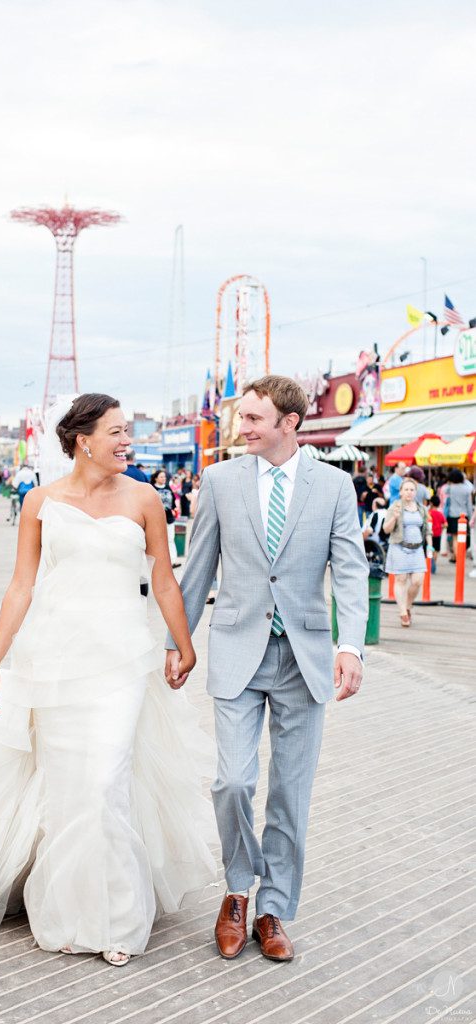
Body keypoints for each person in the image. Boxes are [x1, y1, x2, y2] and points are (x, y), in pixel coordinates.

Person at [0, 393, 216, 965]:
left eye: (128, 431)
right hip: (52, 660)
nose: (127, 441)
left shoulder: (146, 499)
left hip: (125, 658)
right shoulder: (40, 502)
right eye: (117, 432)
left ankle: (115, 918)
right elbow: (21, 586)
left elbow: (165, 580)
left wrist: (183, 642)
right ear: (83, 441)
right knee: (68, 785)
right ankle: (69, 910)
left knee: (105, 781)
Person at [164, 375, 367, 963]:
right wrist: (178, 643)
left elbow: (351, 571)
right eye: (242, 418)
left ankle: (274, 907)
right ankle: (236, 891)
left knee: (290, 792)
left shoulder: (333, 487)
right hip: (236, 652)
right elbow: (197, 568)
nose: (242, 429)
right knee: (233, 780)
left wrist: (351, 646)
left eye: (253, 419)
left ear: (290, 423)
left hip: (304, 659)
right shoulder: (220, 481)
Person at [383, 477, 429, 626]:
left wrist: (431, 545)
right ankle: (403, 612)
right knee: (401, 579)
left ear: (416, 492)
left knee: (417, 581)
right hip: (399, 546)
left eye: (412, 490)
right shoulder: (395, 507)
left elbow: (427, 528)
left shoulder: (421, 508)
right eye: (406, 490)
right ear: (401, 492)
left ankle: (408, 605)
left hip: (417, 549)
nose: (409, 493)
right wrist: (394, 518)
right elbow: (386, 529)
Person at [444, 468, 473, 562]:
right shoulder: (466, 489)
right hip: (464, 516)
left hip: (452, 515)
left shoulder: (450, 488)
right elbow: (469, 504)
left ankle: (457, 558)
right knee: (463, 537)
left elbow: (444, 490)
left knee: (455, 538)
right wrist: (471, 516)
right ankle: (461, 557)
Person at [151, 469, 179, 565]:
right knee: (157, 540)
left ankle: (172, 561)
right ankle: (158, 562)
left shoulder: (168, 487)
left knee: (170, 539)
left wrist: (175, 509)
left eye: (164, 477)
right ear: (155, 478)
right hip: (156, 519)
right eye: (161, 477)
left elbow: (173, 502)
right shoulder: (151, 488)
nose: (164, 478)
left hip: (169, 519)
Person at [428, 494, 447, 574]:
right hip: (438, 534)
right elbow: (446, 524)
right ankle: (434, 563)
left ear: (431, 503)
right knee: (436, 550)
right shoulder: (440, 514)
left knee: (430, 549)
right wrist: (440, 527)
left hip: (430, 535)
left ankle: (430, 564)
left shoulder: (429, 513)